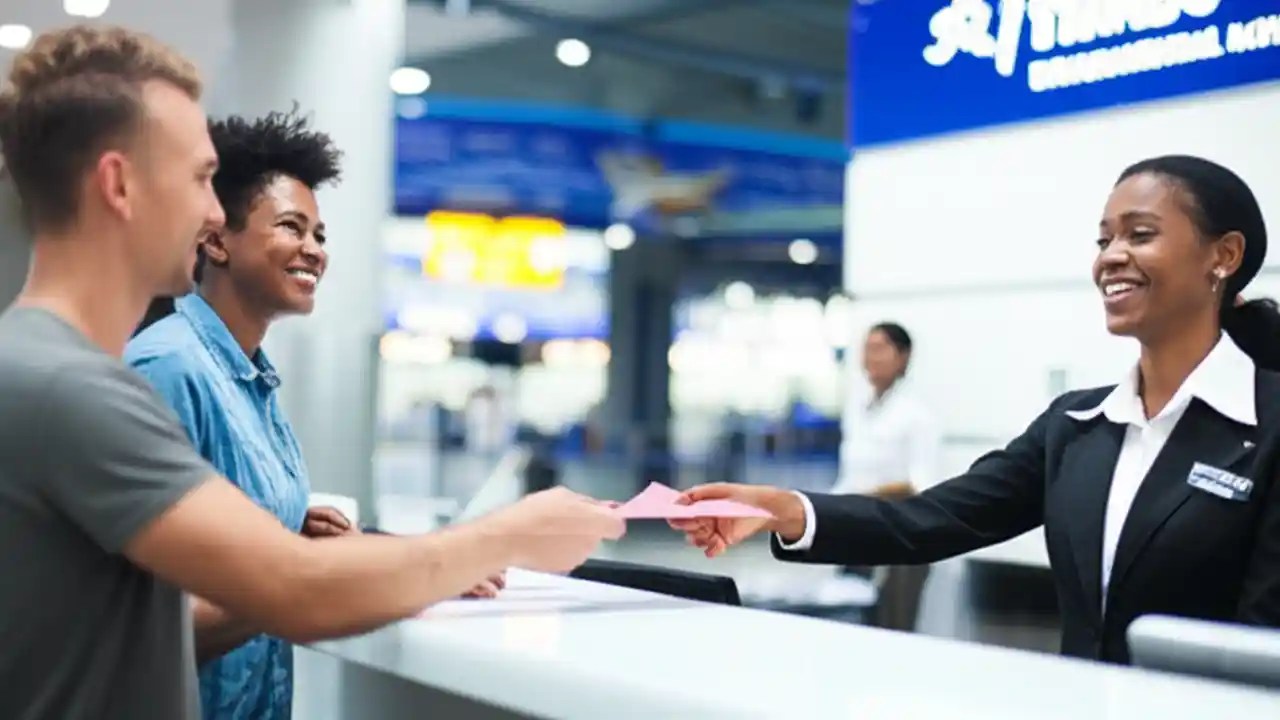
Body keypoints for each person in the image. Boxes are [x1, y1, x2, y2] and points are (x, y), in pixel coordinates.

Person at [0, 25, 624, 720]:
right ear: (119, 184)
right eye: (202, 179)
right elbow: (296, 590)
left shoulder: (43, 368)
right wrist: (506, 535)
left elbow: (139, 617)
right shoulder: (73, 389)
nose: (213, 210)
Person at [672, 154, 1280, 664]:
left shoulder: (1269, 424)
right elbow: (930, 520)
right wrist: (786, 510)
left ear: (1222, 256)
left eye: (1140, 234)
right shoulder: (1076, 427)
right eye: (1104, 239)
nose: (1110, 256)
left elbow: (1263, 643)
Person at [125, 110, 501, 720]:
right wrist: (363, 574)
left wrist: (317, 549)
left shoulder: (252, 380)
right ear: (216, 239)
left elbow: (232, 555)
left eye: (320, 235)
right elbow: (141, 625)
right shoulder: (167, 370)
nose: (314, 251)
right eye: (291, 227)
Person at [833, 322, 939, 631]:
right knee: (852, 625)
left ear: (903, 357)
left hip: (900, 540)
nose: (871, 357)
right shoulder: (857, 409)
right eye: (867, 348)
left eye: (881, 349)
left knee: (893, 629)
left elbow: (921, 484)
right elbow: (848, 477)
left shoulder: (916, 416)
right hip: (856, 529)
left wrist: (869, 496)